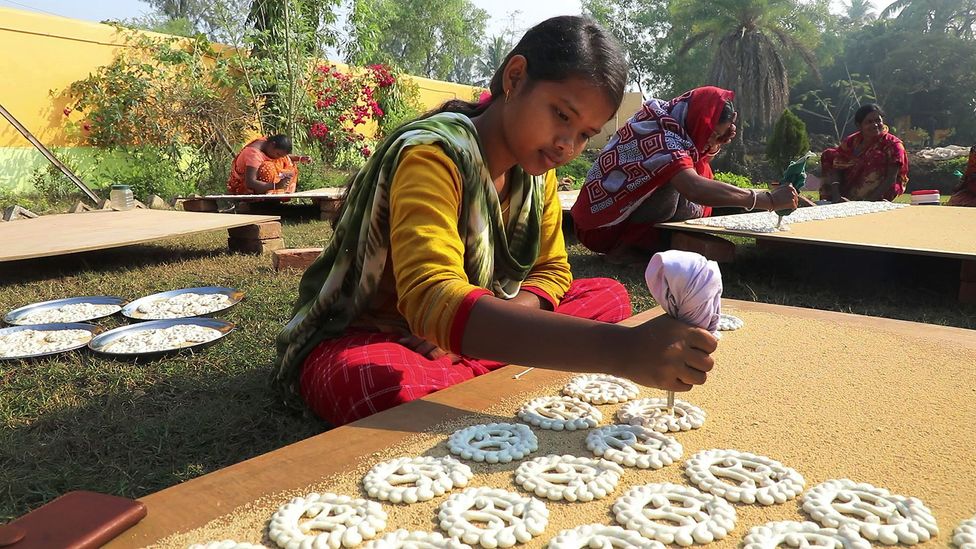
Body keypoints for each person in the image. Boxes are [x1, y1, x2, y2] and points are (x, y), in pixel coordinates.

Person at [273, 16, 718, 426]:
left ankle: (482, 346)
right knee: (376, 385)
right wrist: (624, 351)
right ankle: (495, 350)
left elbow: (553, 271)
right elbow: (431, 298)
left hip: (467, 322)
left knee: (609, 295)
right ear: (515, 76)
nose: (567, 144)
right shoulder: (433, 156)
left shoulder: (537, 172)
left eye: (584, 133)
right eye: (561, 115)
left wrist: (487, 319)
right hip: (381, 335)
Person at [571, 87, 799, 261]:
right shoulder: (663, 137)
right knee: (676, 179)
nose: (711, 139)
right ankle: (625, 249)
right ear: (699, 120)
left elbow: (695, 163)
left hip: (611, 220)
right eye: (710, 132)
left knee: (700, 168)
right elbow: (694, 188)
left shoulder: (666, 118)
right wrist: (766, 200)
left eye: (716, 135)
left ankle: (658, 241)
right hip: (600, 227)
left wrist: (713, 144)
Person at [820, 104, 910, 203]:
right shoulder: (851, 141)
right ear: (859, 126)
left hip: (880, 191)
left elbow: (891, 178)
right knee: (828, 154)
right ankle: (830, 200)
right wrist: (836, 195)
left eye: (878, 120)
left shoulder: (893, 145)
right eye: (869, 122)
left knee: (875, 157)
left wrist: (867, 203)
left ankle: (861, 201)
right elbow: (838, 167)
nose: (875, 125)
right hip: (848, 189)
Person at [226, 134, 307, 195]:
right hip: (243, 188)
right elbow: (250, 182)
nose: (278, 158)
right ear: (272, 144)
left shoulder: (267, 144)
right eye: (278, 154)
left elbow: (284, 157)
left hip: (268, 184)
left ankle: (276, 194)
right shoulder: (253, 154)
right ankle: (259, 201)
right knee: (268, 168)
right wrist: (276, 186)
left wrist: (298, 158)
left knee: (291, 168)